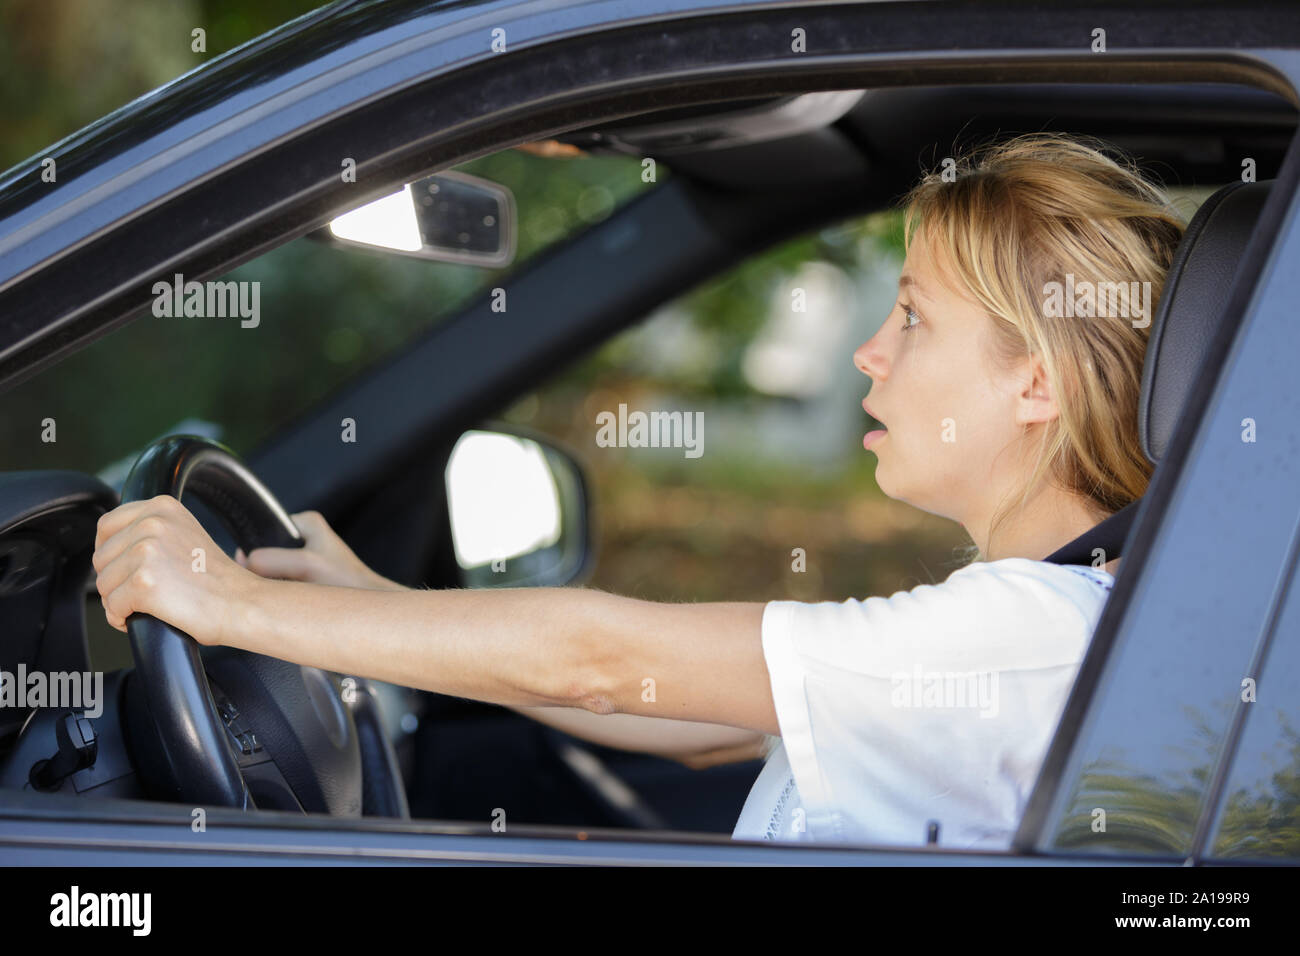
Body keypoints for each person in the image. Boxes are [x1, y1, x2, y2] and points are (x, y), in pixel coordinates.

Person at [90, 132, 1185, 848]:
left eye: (911, 315)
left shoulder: (1023, 637)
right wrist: (368, 603)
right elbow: (686, 726)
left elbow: (606, 662)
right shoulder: (1057, 617)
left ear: (1033, 383)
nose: (868, 351)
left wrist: (232, 604)